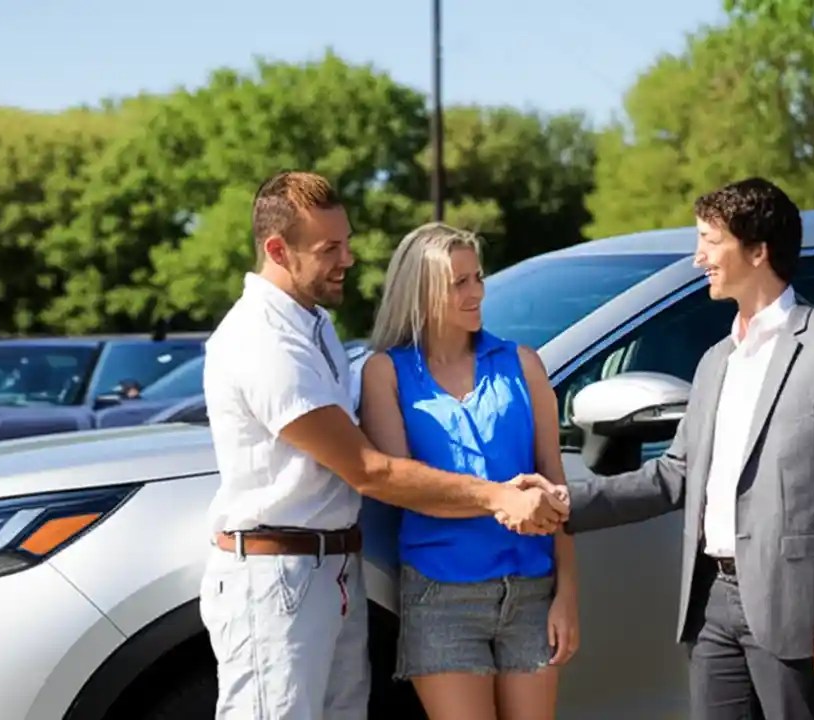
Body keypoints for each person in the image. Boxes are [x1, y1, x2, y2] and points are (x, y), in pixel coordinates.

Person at [199, 171, 568, 720]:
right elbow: (371, 471)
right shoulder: (263, 342)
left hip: (331, 571)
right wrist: (499, 497)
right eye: (330, 248)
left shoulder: (314, 324)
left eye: (346, 242)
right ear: (278, 249)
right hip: (278, 579)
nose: (348, 258)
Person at [564, 178, 814, 719]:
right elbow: (673, 475)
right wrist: (564, 504)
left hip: (797, 609)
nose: (699, 259)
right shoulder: (716, 360)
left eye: (709, 241)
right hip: (711, 604)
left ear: (758, 250)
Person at [358, 222, 579, 720]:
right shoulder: (385, 373)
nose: (476, 291)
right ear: (422, 289)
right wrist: (500, 497)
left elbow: (556, 487)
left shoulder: (523, 365)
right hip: (441, 597)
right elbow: (402, 488)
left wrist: (567, 596)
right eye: (459, 282)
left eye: (477, 277)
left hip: (531, 593)